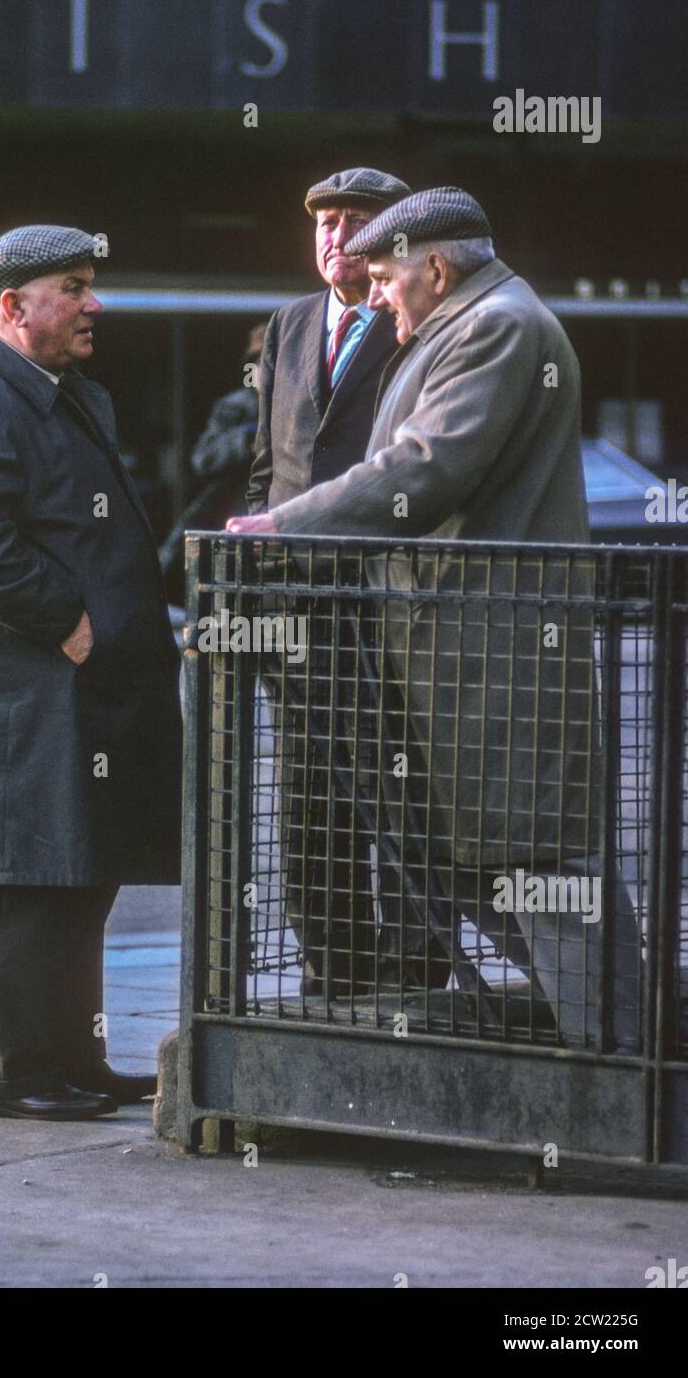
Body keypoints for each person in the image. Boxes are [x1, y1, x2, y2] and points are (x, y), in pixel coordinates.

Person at [230, 187, 640, 1047]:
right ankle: (622, 1055)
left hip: (488, 653)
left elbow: (423, 468)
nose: (374, 295)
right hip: (459, 651)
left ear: (436, 267)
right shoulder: (469, 320)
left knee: (530, 862)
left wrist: (283, 524)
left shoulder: (493, 325)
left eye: (384, 277)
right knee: (488, 861)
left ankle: (629, 1068)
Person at [0, 225, 182, 1119]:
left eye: (90, 284)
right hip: (11, 695)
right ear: (11, 307)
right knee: (12, 883)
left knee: (72, 873)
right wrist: (69, 618)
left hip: (64, 695)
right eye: (74, 286)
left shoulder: (61, 391)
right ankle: (6, 1075)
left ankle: (72, 1058)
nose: (94, 303)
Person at [238, 166, 449, 1000]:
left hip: (389, 602)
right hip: (297, 608)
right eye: (324, 222)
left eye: (354, 221)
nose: (334, 237)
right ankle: (335, 969)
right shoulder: (288, 326)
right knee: (309, 794)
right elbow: (268, 467)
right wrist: (259, 561)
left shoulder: (419, 325)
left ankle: (411, 975)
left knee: (400, 793)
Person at [159, 324, 264, 603]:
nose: (264, 371)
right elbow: (204, 458)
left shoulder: (296, 407)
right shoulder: (235, 407)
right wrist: (248, 439)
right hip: (231, 518)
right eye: (257, 363)